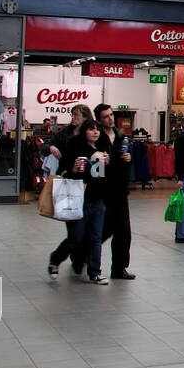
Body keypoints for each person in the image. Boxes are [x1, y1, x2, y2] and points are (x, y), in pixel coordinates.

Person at [47, 119, 109, 284]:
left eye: (97, 129)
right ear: (84, 132)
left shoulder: (101, 150)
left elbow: (100, 178)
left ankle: (95, 272)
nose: (95, 132)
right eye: (91, 129)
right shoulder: (75, 147)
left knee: (95, 238)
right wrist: (73, 170)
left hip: (97, 200)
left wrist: (105, 163)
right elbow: (66, 172)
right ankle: (55, 258)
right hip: (78, 200)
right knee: (76, 238)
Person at [94, 104, 135, 280]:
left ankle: (119, 268)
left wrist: (128, 159)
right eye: (105, 116)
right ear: (99, 119)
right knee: (103, 230)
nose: (110, 119)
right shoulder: (96, 138)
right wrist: (99, 163)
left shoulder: (120, 137)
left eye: (111, 115)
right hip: (102, 191)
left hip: (120, 190)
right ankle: (82, 255)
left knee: (124, 231)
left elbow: (125, 164)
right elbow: (94, 171)